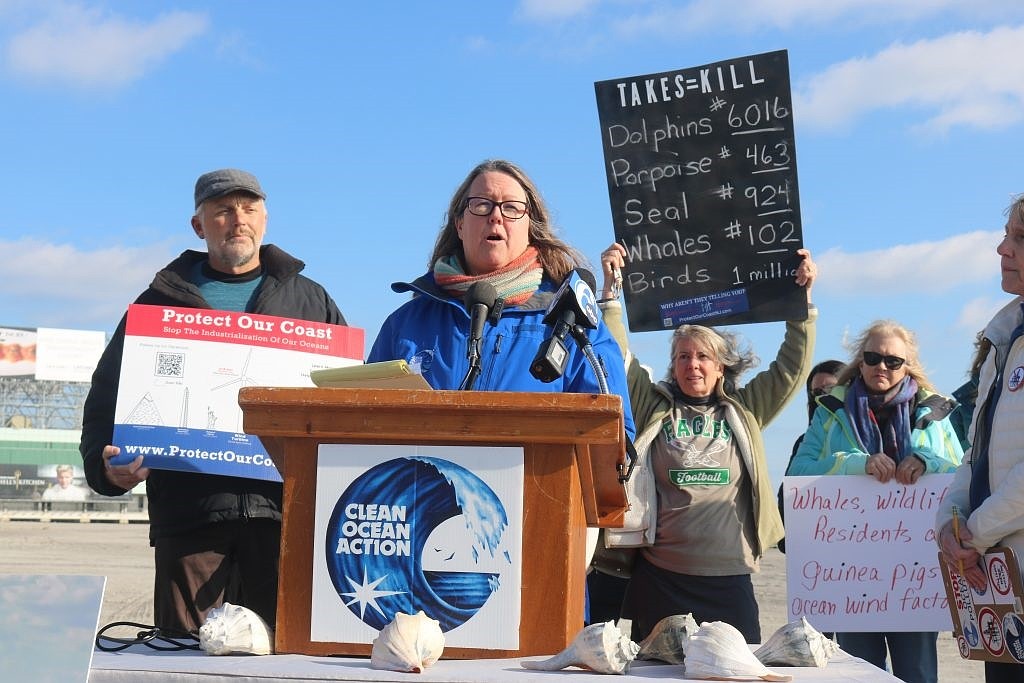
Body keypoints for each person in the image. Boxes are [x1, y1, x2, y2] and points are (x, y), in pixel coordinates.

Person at [80, 168, 347, 634]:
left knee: (286, 656)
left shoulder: (312, 302)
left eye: (249, 209)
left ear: (265, 219)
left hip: (285, 518)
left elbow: (343, 399)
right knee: (186, 658)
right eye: (223, 210)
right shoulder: (156, 305)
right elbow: (106, 398)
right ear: (199, 226)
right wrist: (105, 470)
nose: (237, 220)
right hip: (190, 521)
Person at [595, 241, 817, 643]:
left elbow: (790, 369)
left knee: (733, 671)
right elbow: (617, 356)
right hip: (661, 576)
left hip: (728, 575)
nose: (691, 364)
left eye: (702, 357)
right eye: (682, 356)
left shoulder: (745, 409)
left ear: (720, 367)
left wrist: (801, 306)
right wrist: (611, 294)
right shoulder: (654, 406)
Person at [790, 320, 963, 683]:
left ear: (908, 365)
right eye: (873, 357)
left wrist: (927, 462)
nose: (881, 366)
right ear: (860, 360)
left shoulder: (935, 414)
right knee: (859, 674)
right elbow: (799, 471)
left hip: (914, 580)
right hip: (850, 577)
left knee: (917, 673)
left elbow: (960, 472)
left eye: (893, 361)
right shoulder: (830, 410)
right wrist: (856, 463)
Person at [937, 194, 1024, 683]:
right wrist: (949, 524)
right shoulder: (1003, 337)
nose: (1001, 249)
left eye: (1018, 238)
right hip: (999, 586)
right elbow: (976, 454)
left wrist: (976, 533)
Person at [777, 359, 844, 554]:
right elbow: (788, 492)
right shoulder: (804, 442)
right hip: (817, 545)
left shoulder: (869, 436)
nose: (822, 397)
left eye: (831, 388)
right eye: (816, 392)